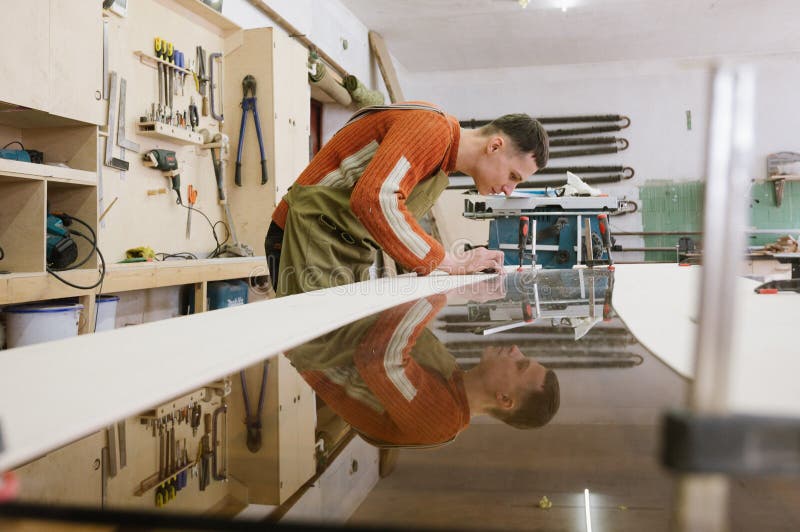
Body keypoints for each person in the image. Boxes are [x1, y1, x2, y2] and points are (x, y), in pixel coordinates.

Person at [265, 102, 550, 296]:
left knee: (343, 348)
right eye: (513, 176)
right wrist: (452, 263)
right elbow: (375, 198)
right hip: (309, 233)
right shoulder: (431, 129)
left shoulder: (442, 159)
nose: (509, 190)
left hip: (341, 244)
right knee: (320, 349)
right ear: (495, 145)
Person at [285, 294, 560, 447]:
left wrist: (442, 294)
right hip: (330, 315)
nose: (515, 349)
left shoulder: (441, 419)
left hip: (306, 331)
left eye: (520, 364)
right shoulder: (453, 377)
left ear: (504, 400)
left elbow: (380, 359)